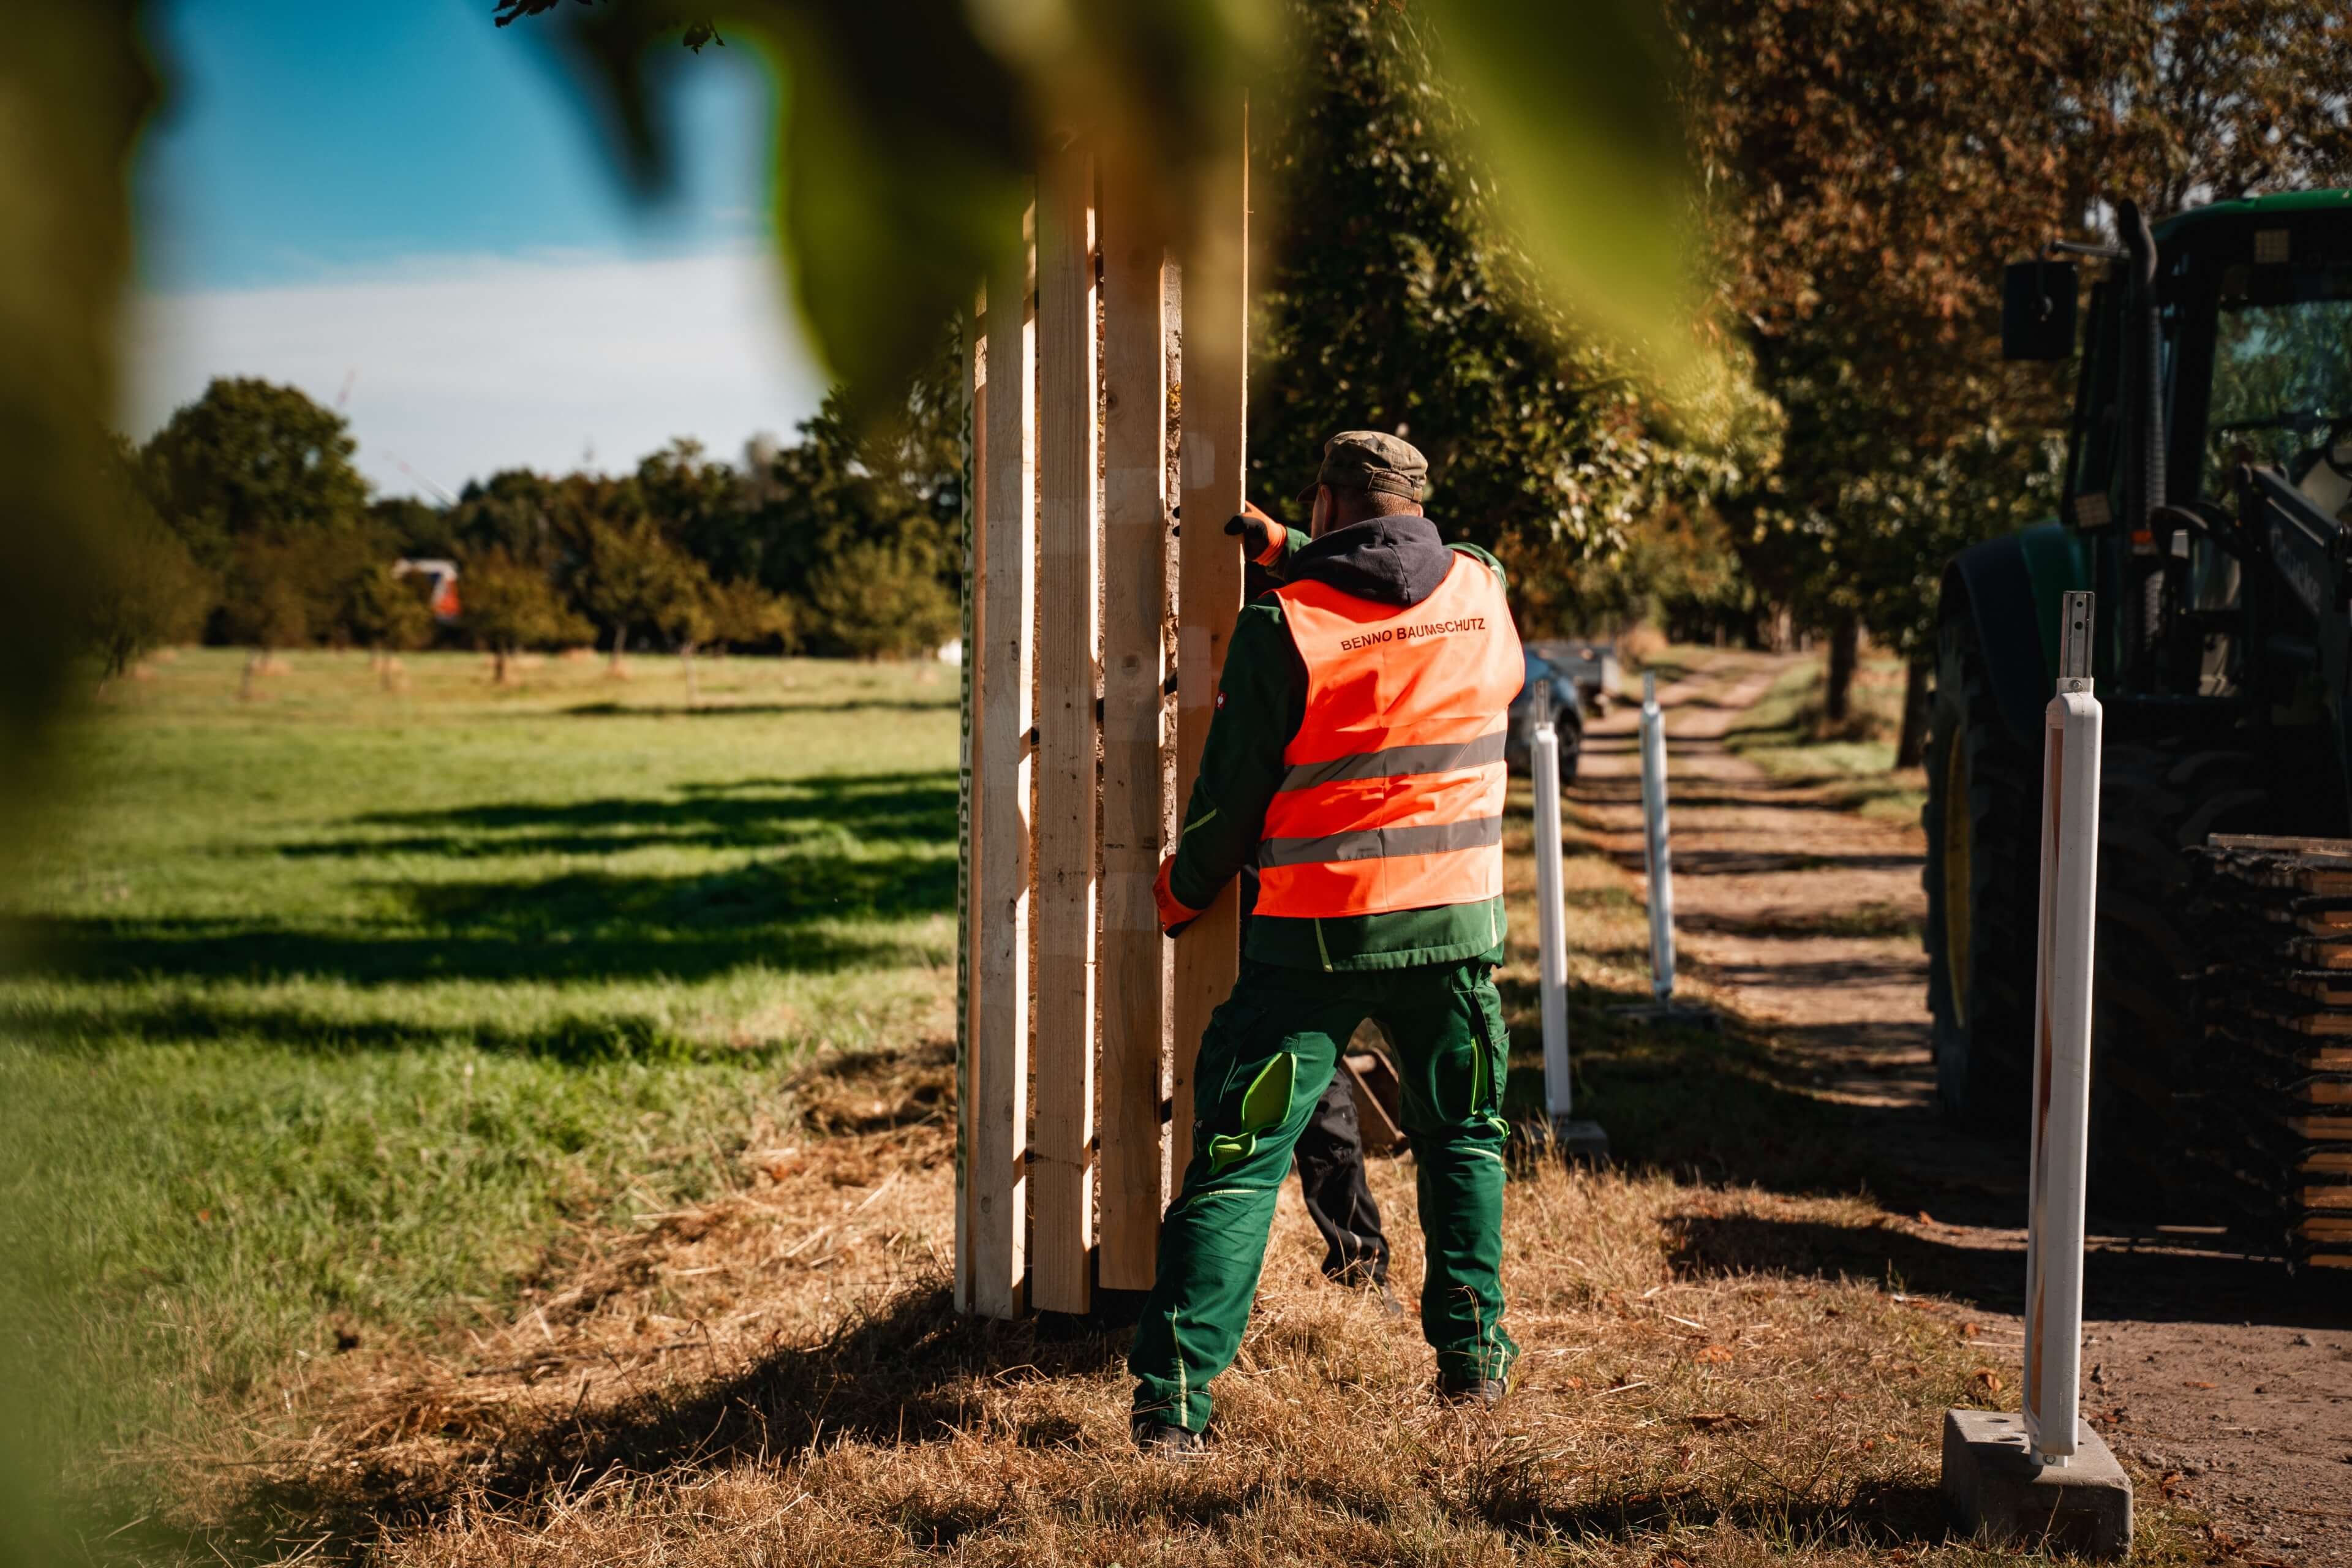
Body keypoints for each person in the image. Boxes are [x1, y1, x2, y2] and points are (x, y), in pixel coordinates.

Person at [1131, 431, 1525, 1458]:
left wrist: (1178, 894)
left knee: (1237, 1161)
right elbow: (1395, 577)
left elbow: (1228, 801)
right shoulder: (1483, 588)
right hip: (1455, 933)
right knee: (1463, 1139)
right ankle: (1474, 1369)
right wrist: (1294, 546)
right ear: (1416, 504)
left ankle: (1174, 1408)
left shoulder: (1285, 624)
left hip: (1312, 946)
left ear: (1329, 503)